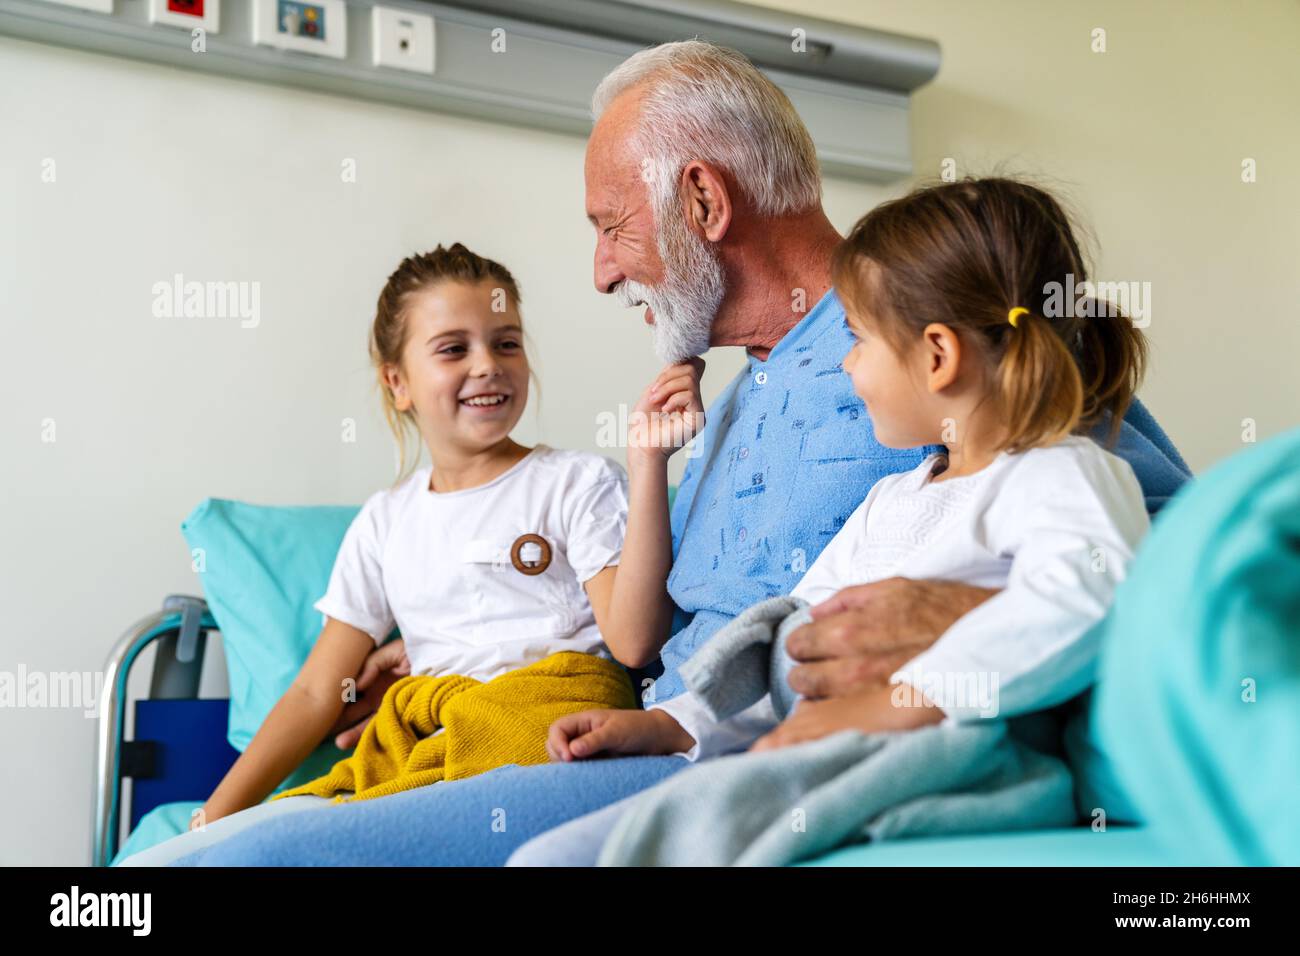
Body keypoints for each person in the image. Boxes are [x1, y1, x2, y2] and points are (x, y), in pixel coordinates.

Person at [174, 42, 1190, 868]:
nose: (601, 268)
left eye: (612, 226)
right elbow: (635, 627)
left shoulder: (958, 349)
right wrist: (454, 634)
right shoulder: (717, 411)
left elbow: (1188, 567)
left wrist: (964, 614)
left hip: (802, 746)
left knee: (234, 867)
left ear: (703, 202)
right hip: (665, 734)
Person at [119, 242, 694, 865]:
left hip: (543, 722)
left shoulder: (577, 482)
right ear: (398, 383)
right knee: (185, 858)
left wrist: (646, 467)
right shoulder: (385, 523)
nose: (488, 366)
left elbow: (634, 645)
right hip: (432, 739)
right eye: (454, 349)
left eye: (507, 342)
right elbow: (318, 693)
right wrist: (210, 818)